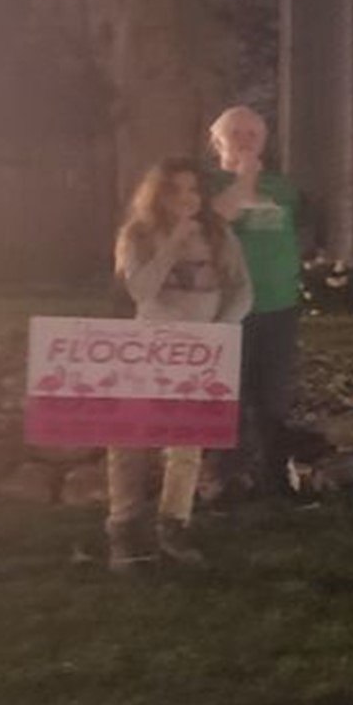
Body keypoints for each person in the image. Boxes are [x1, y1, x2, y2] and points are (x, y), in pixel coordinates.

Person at [110, 157, 252, 572]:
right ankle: (124, 526)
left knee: (186, 444)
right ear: (158, 194)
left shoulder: (219, 235)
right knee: (128, 441)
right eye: (175, 190)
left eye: (193, 190)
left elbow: (242, 288)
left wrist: (220, 331)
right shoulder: (137, 235)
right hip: (149, 348)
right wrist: (172, 243)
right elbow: (140, 289)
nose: (186, 199)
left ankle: (174, 524)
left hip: (199, 352)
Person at [206, 106, 302, 499]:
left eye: (253, 134)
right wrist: (244, 178)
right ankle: (228, 479)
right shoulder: (207, 184)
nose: (246, 140)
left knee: (274, 395)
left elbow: (290, 232)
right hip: (226, 308)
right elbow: (213, 223)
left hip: (279, 304)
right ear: (218, 142)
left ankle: (275, 478)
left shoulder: (281, 188)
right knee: (228, 395)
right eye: (237, 133)